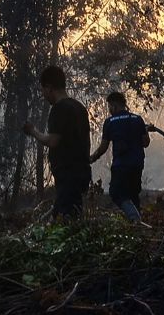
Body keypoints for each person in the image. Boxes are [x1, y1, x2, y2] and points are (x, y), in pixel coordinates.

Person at [23, 65, 91, 219]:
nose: (43, 94)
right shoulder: (79, 107)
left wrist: (33, 131)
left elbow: (53, 141)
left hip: (68, 174)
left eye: (43, 90)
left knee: (65, 217)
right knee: (73, 212)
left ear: (49, 87)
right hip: (82, 171)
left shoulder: (59, 109)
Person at [89, 91, 151, 225]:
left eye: (109, 107)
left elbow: (103, 147)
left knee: (116, 192)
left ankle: (135, 219)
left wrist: (92, 158)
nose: (109, 110)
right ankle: (138, 228)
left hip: (121, 165)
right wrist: (144, 129)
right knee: (133, 194)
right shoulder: (137, 119)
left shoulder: (110, 122)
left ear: (115, 106)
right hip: (137, 164)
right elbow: (145, 143)